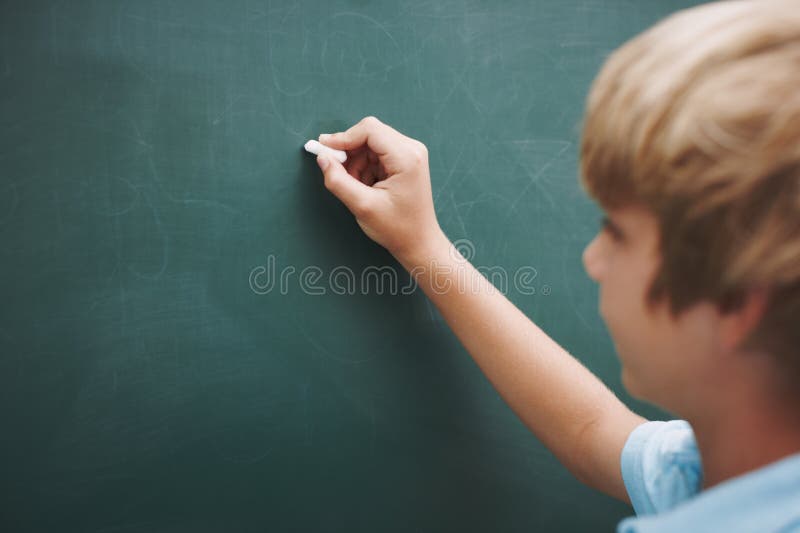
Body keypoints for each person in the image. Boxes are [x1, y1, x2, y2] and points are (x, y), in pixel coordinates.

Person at [311, 1, 800, 531]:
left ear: (731, 302)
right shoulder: (731, 464)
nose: (593, 260)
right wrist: (423, 247)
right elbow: (594, 430)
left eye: (617, 234)